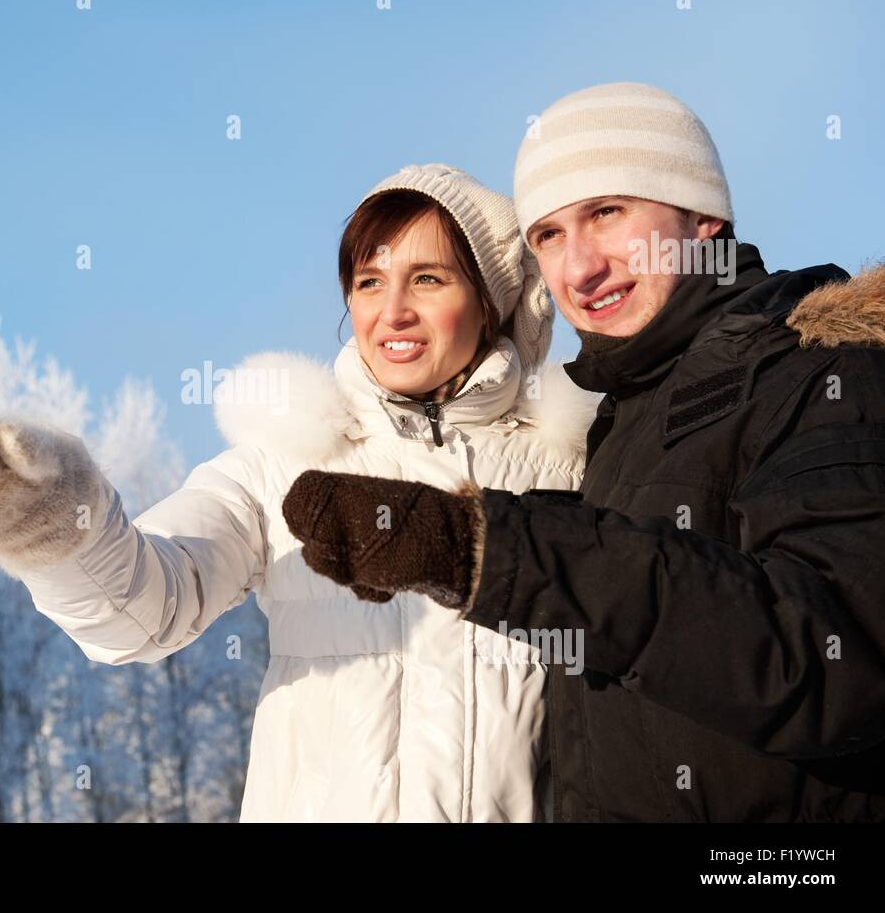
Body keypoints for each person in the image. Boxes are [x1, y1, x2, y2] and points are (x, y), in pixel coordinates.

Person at [0, 163, 597, 822]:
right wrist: (49, 521)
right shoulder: (285, 462)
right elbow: (148, 605)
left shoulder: (572, 476)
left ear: (490, 300)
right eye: (368, 281)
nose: (393, 311)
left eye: (429, 279)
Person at [281, 82, 885, 822]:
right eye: (549, 236)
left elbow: (836, 663)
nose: (579, 268)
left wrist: (485, 546)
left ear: (702, 218)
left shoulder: (824, 377)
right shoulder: (619, 429)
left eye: (607, 213)